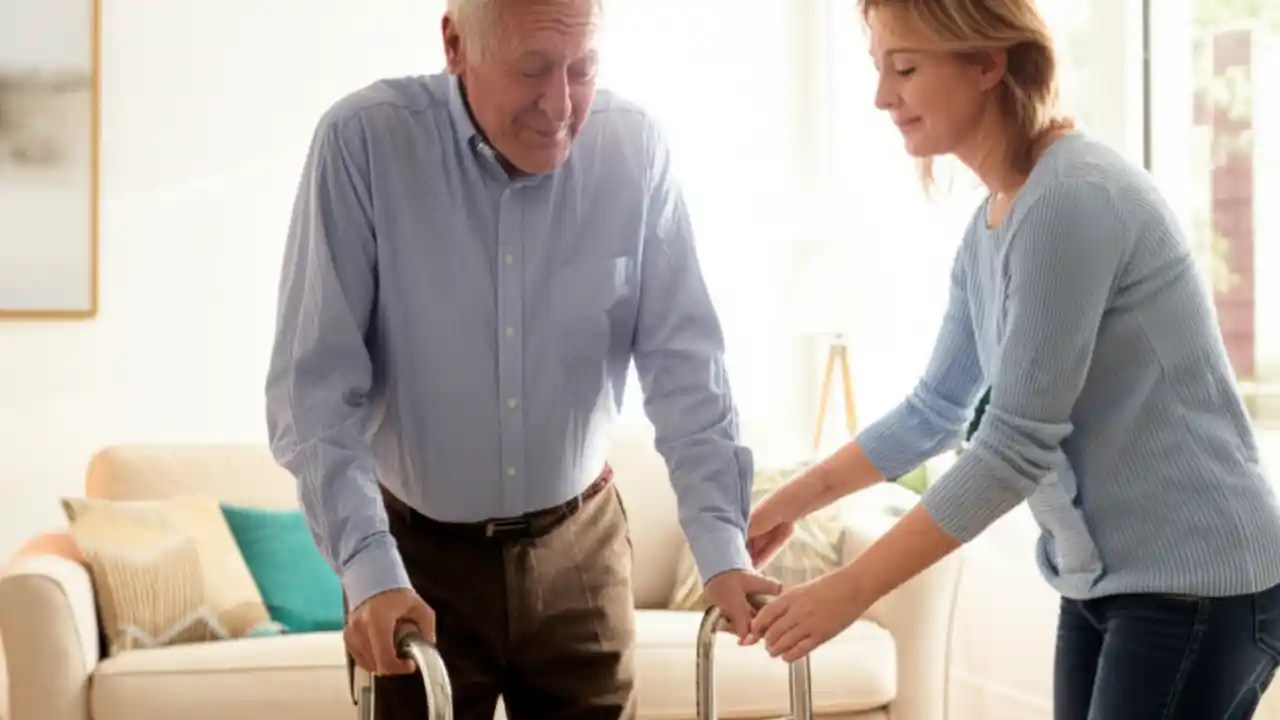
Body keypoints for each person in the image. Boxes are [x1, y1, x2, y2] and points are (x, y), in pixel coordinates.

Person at [745, 1, 1280, 717]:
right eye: (880, 70)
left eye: (904, 68)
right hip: (1099, 585)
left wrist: (850, 589)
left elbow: (1011, 449)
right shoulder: (994, 221)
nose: (882, 97)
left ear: (988, 63)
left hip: (1199, 583)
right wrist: (785, 505)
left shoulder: (1072, 198)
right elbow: (935, 410)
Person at [264, 0, 780, 717]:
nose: (559, 105)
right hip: (418, 559)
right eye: (532, 68)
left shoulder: (635, 149)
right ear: (454, 43)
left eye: (582, 69)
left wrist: (722, 548)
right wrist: (369, 569)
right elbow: (315, 393)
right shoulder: (364, 142)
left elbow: (687, 368)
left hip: (582, 551)